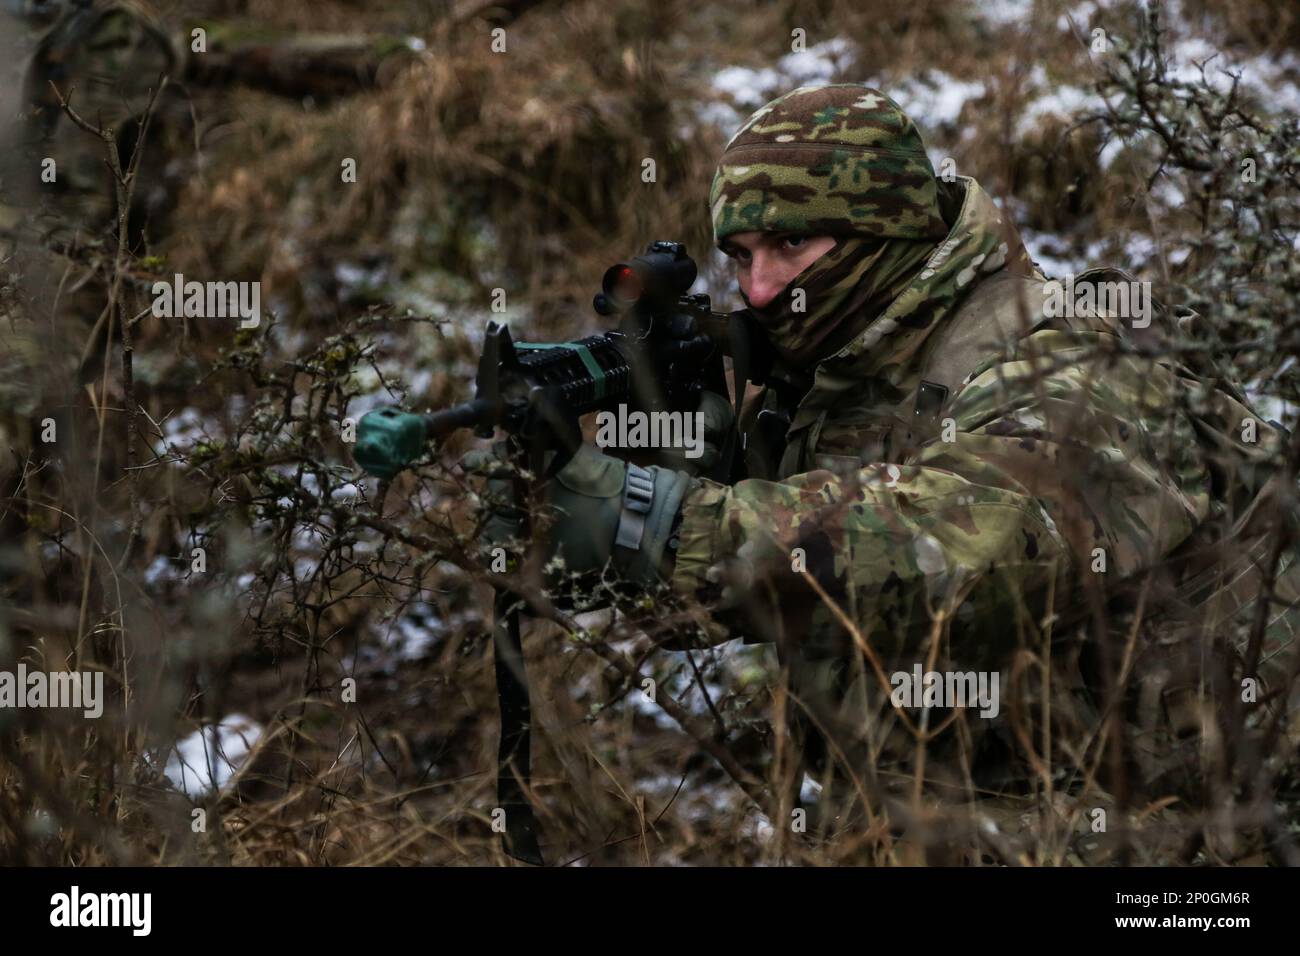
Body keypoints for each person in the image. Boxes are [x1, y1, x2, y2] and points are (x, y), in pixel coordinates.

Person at [450, 84, 1300, 856]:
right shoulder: (829, 373)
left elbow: (958, 553)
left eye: (789, 243)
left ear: (887, 227)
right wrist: (610, 519)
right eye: (741, 255)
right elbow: (741, 608)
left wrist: (662, 519)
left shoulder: (1069, 348)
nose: (758, 288)